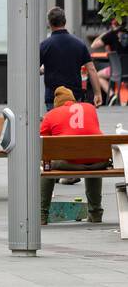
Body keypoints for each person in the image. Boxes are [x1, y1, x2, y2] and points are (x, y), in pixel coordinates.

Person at [39, 85, 107, 225]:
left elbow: (41, 143)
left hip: (70, 162)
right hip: (98, 162)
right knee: (91, 158)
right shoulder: (90, 108)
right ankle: (95, 213)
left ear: (57, 104)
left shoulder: (51, 114)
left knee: (46, 165)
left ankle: (41, 214)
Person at [40, 7, 101, 109]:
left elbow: (32, 70)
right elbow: (91, 69)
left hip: (53, 97)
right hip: (74, 96)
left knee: (56, 124)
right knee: (72, 125)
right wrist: (97, 93)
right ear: (65, 21)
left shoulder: (45, 45)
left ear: (49, 23)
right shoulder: (79, 44)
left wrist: (43, 70)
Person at [89, 18, 125, 103]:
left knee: (98, 75)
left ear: (113, 25)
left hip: (117, 71)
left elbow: (93, 45)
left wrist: (104, 34)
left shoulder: (111, 34)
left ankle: (112, 96)